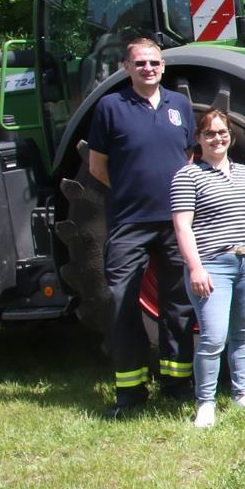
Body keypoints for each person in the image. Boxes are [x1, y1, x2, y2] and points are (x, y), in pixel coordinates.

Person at [88, 37, 195, 419]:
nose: (148, 69)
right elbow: (97, 166)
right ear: (126, 67)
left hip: (174, 224)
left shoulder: (179, 105)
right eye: (140, 63)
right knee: (123, 303)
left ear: (163, 66)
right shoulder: (110, 107)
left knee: (178, 305)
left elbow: (187, 156)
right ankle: (130, 390)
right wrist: (132, 191)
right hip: (129, 222)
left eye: (153, 63)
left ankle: (177, 383)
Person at [171, 110, 245, 427]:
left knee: (244, 332)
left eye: (222, 132)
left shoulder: (243, 172)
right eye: (210, 133)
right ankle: (206, 403)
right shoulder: (187, 176)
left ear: (231, 135)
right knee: (214, 337)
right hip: (213, 265)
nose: (217, 138)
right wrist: (195, 268)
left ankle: (242, 393)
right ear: (198, 139)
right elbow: (183, 227)